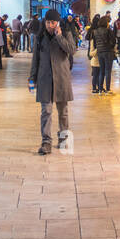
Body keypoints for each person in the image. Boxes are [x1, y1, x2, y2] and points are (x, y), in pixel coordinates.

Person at [30, 9, 75, 154]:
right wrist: (32, 78)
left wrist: (60, 37)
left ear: (58, 22)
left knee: (63, 112)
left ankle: (63, 139)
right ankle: (46, 142)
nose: (50, 25)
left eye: (53, 22)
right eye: (48, 22)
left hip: (61, 78)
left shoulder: (66, 34)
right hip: (45, 78)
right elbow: (35, 59)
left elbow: (72, 50)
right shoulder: (40, 36)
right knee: (46, 111)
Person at [91, 14, 116, 94]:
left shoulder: (95, 31)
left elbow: (95, 43)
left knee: (102, 71)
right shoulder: (108, 30)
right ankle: (108, 89)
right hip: (108, 52)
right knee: (108, 71)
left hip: (100, 52)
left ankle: (100, 90)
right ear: (106, 23)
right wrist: (111, 47)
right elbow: (113, 41)